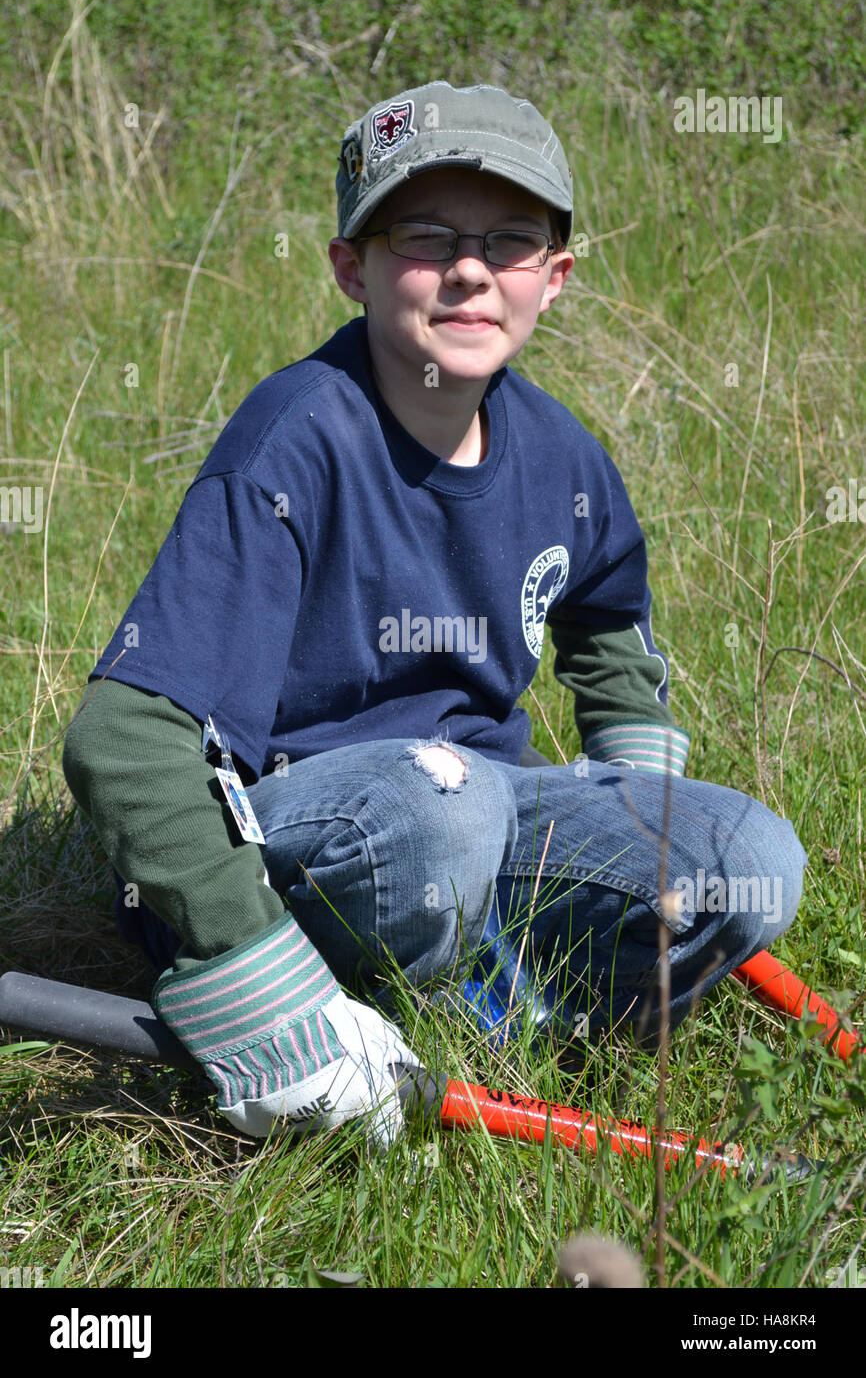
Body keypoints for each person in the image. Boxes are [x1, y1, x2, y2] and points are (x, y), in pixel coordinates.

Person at [62, 81, 807, 1147]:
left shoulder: (562, 455)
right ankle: (339, 1017)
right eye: (425, 236)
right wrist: (253, 975)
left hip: (489, 810)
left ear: (551, 281)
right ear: (349, 267)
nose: (469, 268)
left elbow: (609, 624)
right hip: (319, 828)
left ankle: (541, 1024)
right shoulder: (296, 441)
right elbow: (123, 739)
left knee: (750, 855)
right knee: (440, 807)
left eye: (508, 242)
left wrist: (635, 808)